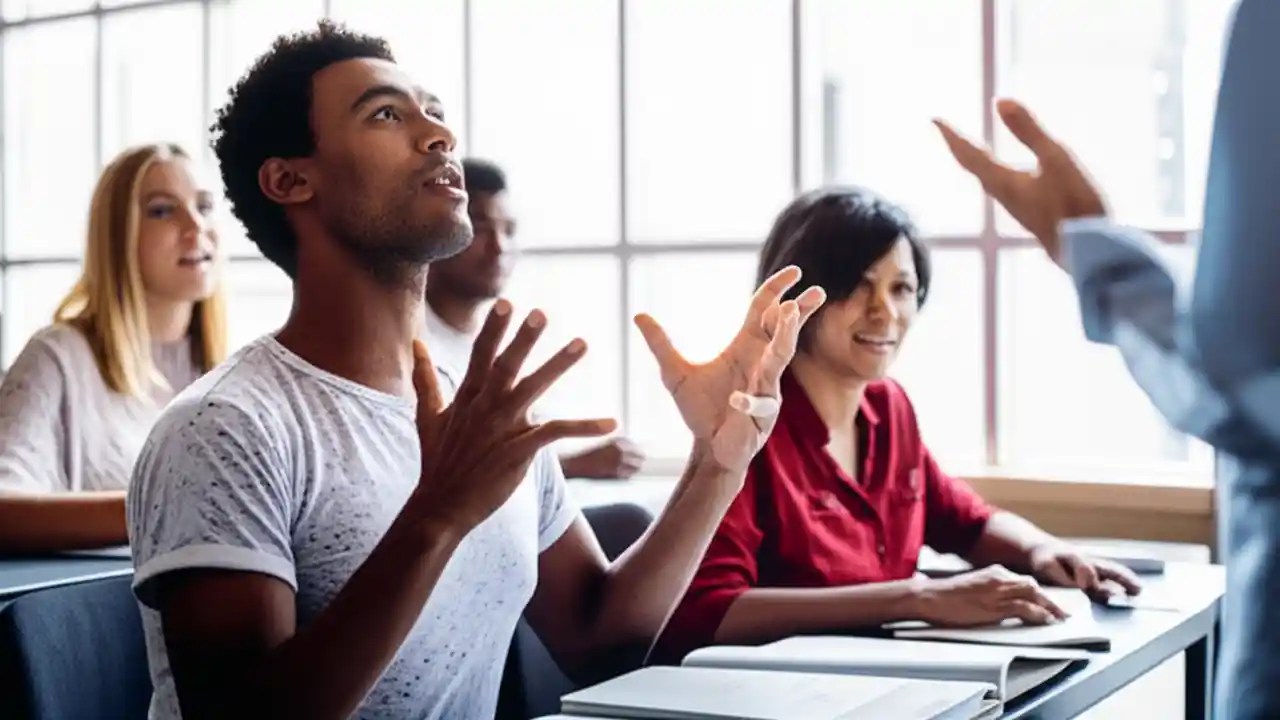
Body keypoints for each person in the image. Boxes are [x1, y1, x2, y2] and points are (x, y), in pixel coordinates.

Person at [126, 21, 825, 720]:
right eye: (386, 115)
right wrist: (437, 514)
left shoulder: (486, 412)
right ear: (289, 179)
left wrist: (716, 463)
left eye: (434, 112)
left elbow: (596, 638)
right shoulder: (222, 427)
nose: (438, 136)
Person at [935, 2, 1279, 714]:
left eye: (902, 287)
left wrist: (1093, 253)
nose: (885, 313)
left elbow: (1241, 373)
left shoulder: (887, 418)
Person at [652, 186, 1141, 664]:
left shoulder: (889, 408)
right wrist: (914, 599)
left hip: (888, 684)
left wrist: (1042, 550)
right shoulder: (749, 430)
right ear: (800, 299)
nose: (884, 311)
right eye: (857, 285)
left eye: (901, 288)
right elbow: (702, 613)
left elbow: (963, 520)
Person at [0, 143, 226, 553]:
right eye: (162, 210)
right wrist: (160, 508)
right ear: (117, 236)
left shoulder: (229, 376)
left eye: (205, 206)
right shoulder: (59, 358)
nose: (195, 226)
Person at [424, 157, 646, 480]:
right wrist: (573, 467)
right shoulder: (411, 343)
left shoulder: (504, 343)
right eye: (481, 228)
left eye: (509, 230)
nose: (499, 247)